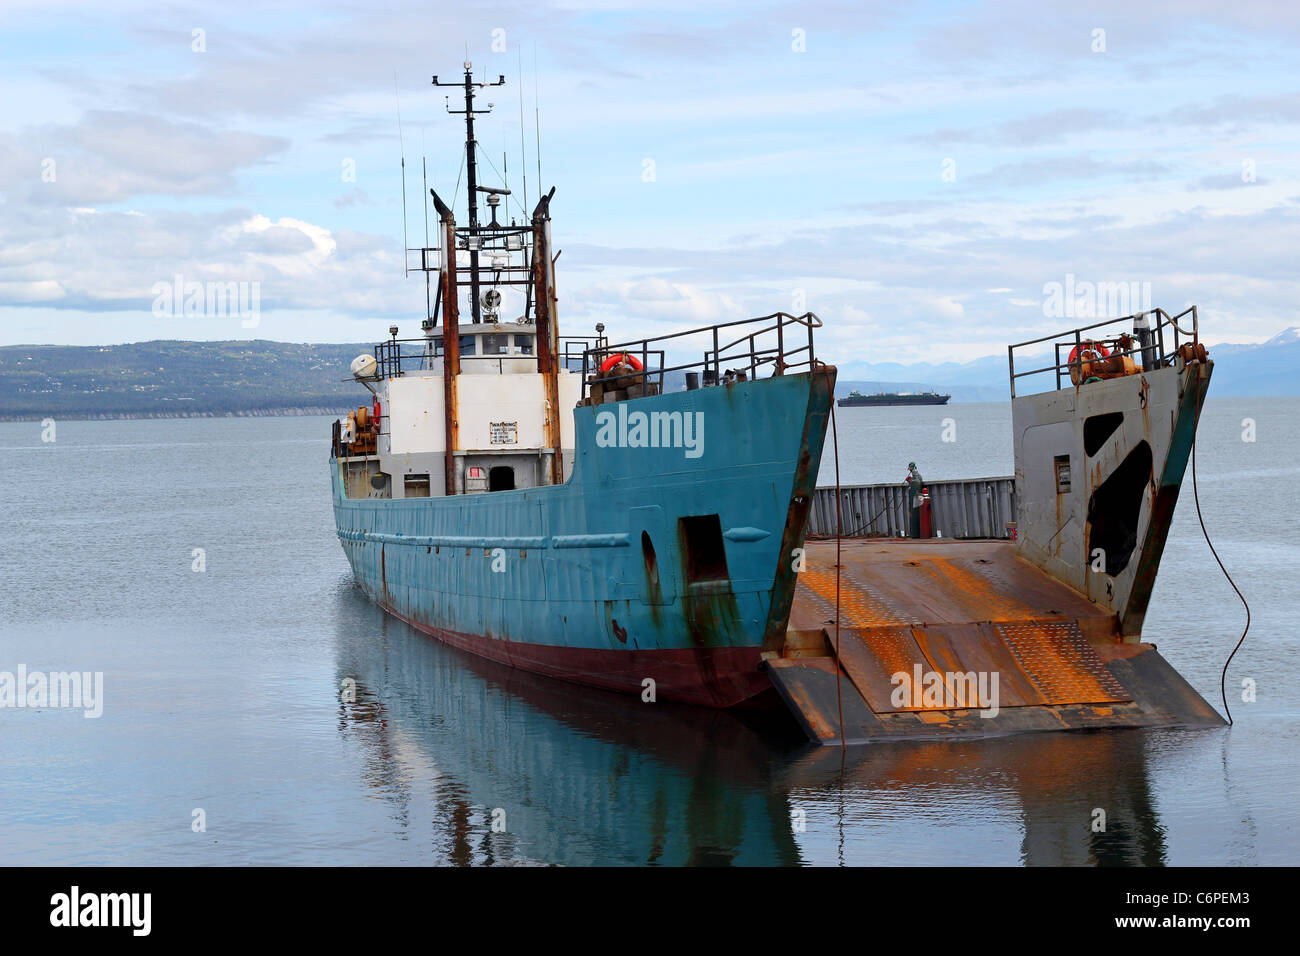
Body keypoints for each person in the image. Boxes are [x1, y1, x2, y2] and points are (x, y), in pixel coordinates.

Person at [903, 461, 924, 538]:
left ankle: (916, 533)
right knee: (913, 513)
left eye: (910, 469)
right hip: (915, 499)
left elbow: (917, 481)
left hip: (916, 499)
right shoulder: (916, 478)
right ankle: (914, 533)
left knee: (915, 514)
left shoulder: (916, 478)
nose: (909, 470)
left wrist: (911, 481)